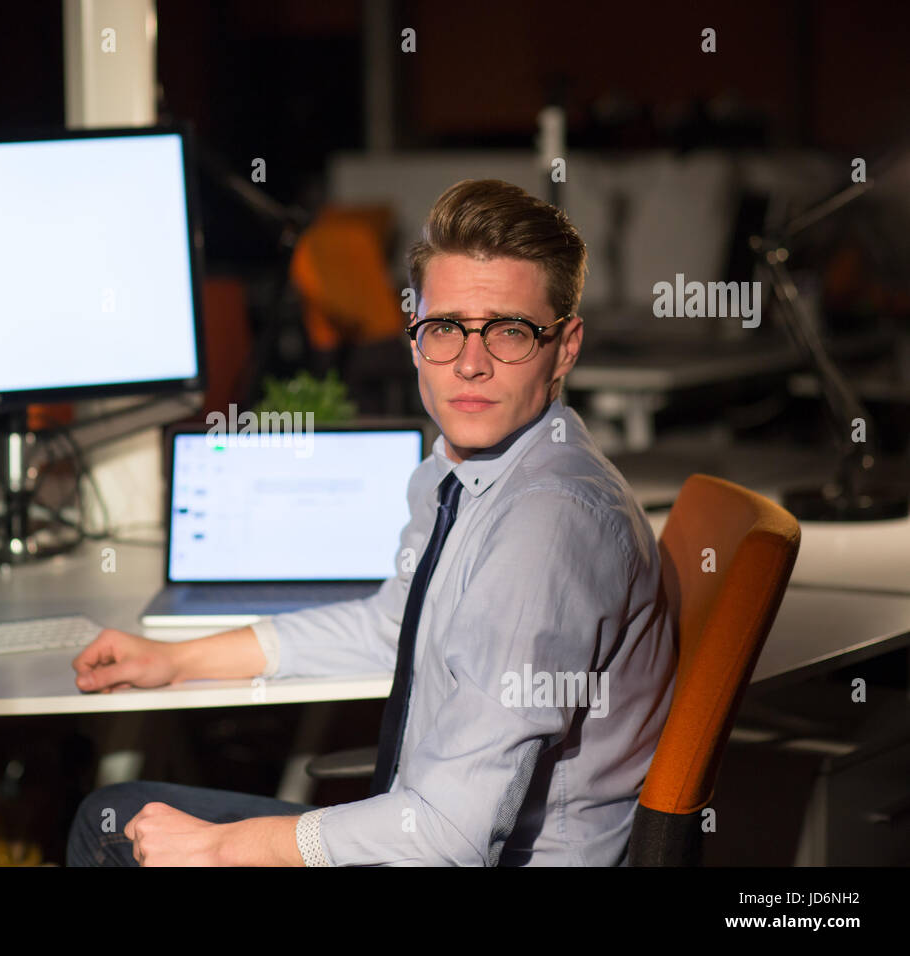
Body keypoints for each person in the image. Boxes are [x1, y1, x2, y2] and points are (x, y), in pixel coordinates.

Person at [65, 179, 677, 866]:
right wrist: (177, 659)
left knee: (108, 827)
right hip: (425, 824)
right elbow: (391, 627)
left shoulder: (547, 527)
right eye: (446, 329)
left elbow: (450, 836)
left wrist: (221, 848)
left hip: (456, 848)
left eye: (509, 331)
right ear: (415, 338)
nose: (470, 364)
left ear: (564, 347)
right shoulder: (466, 469)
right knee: (118, 813)